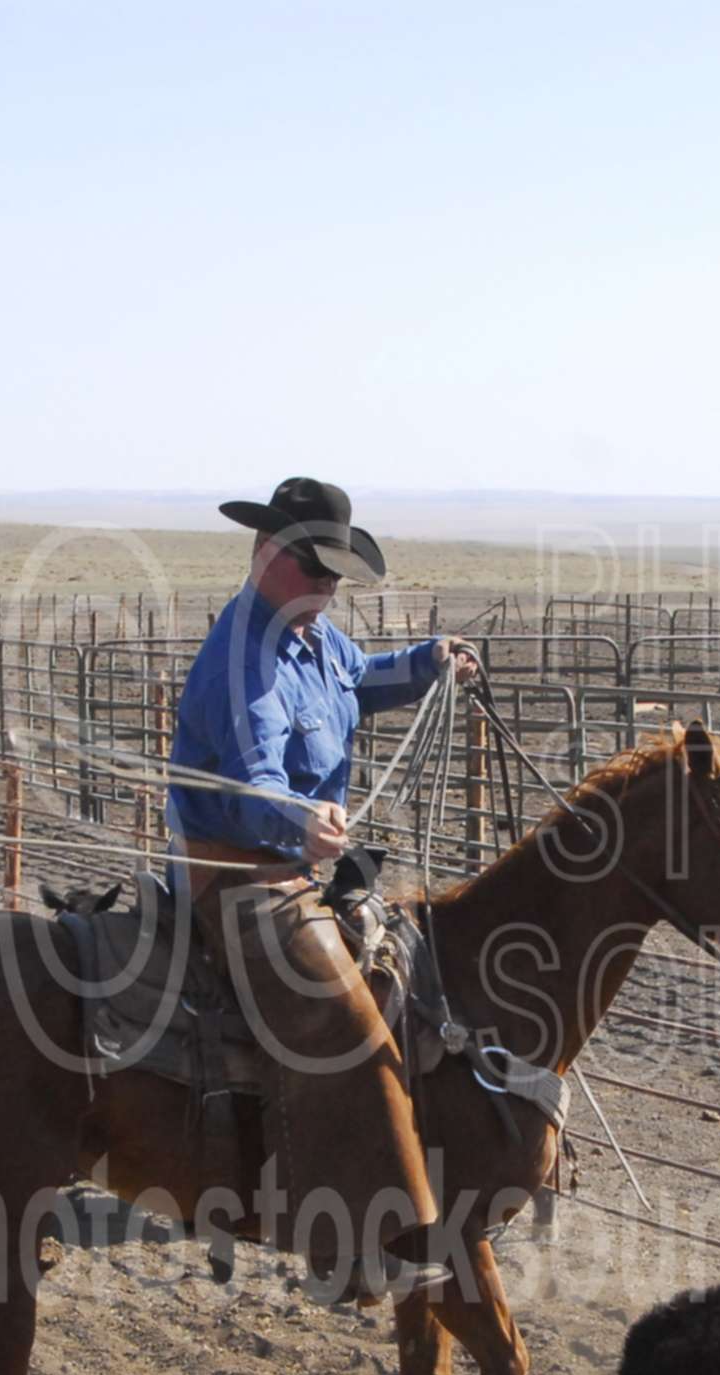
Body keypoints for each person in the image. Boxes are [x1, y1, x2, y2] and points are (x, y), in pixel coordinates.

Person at [168, 477, 477, 1292]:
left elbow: (362, 680)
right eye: (318, 568)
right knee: (346, 1020)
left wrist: (428, 661)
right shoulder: (247, 656)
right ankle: (353, 1247)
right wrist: (297, 822)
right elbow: (255, 777)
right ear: (268, 554)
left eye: (338, 573)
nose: (331, 586)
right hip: (242, 876)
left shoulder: (312, 636)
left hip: (300, 864)